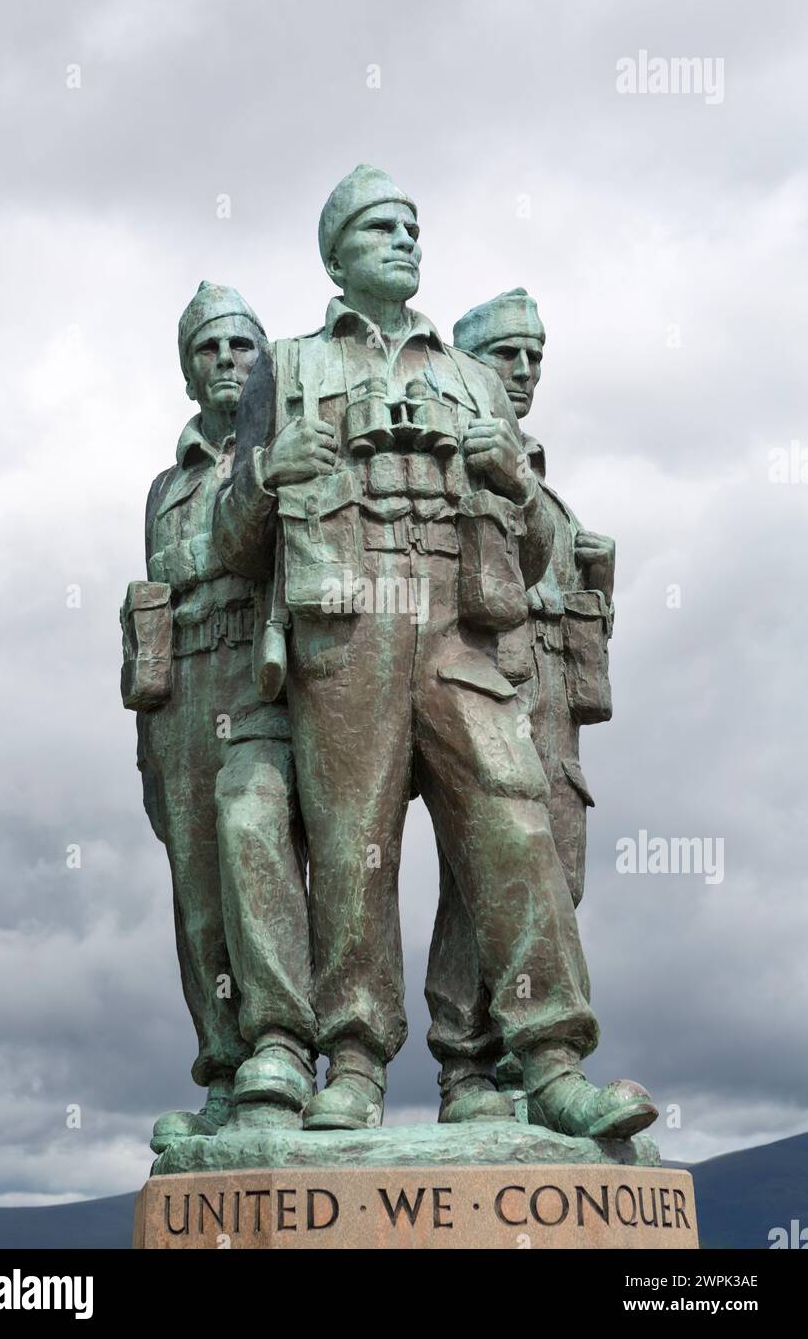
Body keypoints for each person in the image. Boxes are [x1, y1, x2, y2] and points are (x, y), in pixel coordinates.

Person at [214, 166, 657, 1140]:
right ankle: (356, 1060)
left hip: (460, 627)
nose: (403, 240)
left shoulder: (471, 379)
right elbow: (230, 543)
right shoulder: (281, 369)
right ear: (335, 254)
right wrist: (262, 481)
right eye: (378, 228)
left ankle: (548, 1060)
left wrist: (517, 483)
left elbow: (539, 546)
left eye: (411, 226)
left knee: (513, 822)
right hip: (345, 630)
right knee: (350, 848)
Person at [123, 282, 315, 1153]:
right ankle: (227, 1072)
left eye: (242, 346)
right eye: (210, 349)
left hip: (258, 680)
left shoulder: (285, 447)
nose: (229, 362)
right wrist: (148, 754)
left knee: (251, 842)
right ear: (188, 370)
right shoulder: (164, 484)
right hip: (178, 698)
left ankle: (283, 1046)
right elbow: (152, 609)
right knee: (198, 896)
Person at [426, 287, 618, 1121]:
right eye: (509, 353)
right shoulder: (446, 462)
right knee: (484, 874)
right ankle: (468, 1063)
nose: (528, 367)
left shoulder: (548, 489)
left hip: (553, 708)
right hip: (478, 683)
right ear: (468, 366)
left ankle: (513, 1063)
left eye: (537, 354)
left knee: (555, 875)